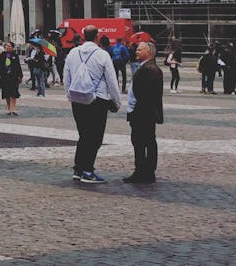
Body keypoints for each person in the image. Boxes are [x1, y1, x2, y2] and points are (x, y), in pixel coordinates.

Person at [63, 25, 122, 184]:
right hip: (98, 99)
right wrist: (116, 102)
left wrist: (69, 95)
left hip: (77, 99)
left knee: (83, 135)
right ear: (97, 37)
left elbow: (66, 76)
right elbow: (112, 80)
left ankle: (78, 168)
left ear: (83, 37)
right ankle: (88, 170)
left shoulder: (72, 53)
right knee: (95, 136)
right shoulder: (102, 55)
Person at [124, 40, 164, 184]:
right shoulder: (147, 67)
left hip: (143, 113)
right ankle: (144, 171)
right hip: (142, 112)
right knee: (143, 142)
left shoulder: (150, 69)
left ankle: (144, 172)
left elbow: (145, 94)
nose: (136, 51)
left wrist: (135, 110)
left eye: (140, 50)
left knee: (143, 142)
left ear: (149, 52)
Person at [0, 41, 23, 115]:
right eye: (6, 46)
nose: (7, 47)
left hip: (13, 76)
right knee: (7, 94)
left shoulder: (15, 55)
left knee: (14, 93)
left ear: (12, 47)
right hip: (5, 76)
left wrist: (20, 75)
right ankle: (9, 109)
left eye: (9, 46)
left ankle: (14, 109)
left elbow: (18, 66)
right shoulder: (2, 55)